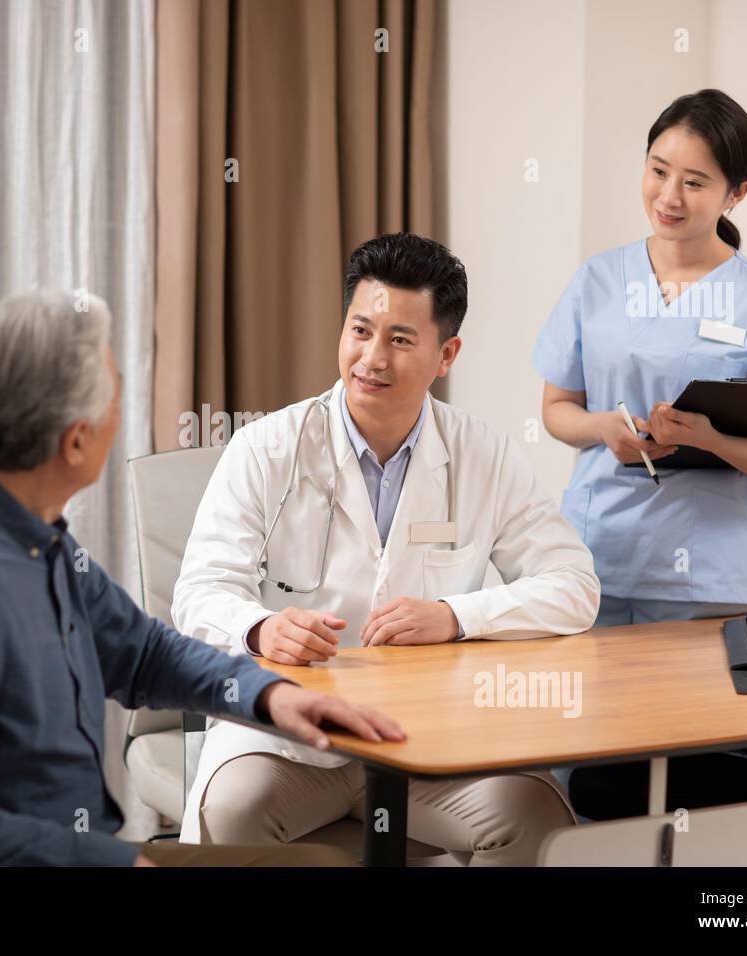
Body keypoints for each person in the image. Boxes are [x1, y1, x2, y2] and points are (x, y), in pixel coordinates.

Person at [0, 289, 405, 867]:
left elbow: (143, 656)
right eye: (115, 393)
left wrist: (270, 695)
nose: (121, 411)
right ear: (75, 440)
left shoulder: (32, 536)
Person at [171, 233, 599, 865]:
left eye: (400, 339)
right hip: (291, 739)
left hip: (431, 743)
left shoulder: (485, 455)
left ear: (446, 353)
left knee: (534, 821)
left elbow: (575, 586)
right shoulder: (266, 448)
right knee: (232, 811)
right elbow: (199, 591)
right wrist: (261, 629)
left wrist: (457, 617)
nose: (371, 358)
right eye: (360, 330)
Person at [532, 89, 747, 816]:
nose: (669, 195)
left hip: (701, 577)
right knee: (583, 759)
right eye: (658, 171)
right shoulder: (597, 281)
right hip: (596, 555)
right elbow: (555, 411)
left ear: (736, 193)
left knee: (679, 769)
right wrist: (604, 429)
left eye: (695, 183)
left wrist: (707, 438)